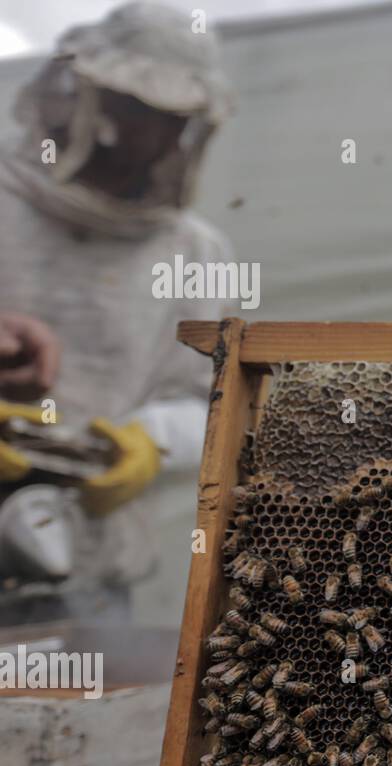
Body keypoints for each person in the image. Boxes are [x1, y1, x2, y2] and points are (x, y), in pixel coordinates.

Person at [0, 3, 236, 622]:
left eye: (169, 119)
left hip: (94, 566)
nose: (143, 135)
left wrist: (150, 442)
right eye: (132, 105)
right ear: (84, 90)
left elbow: (211, 403)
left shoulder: (197, 253)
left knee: (86, 713)